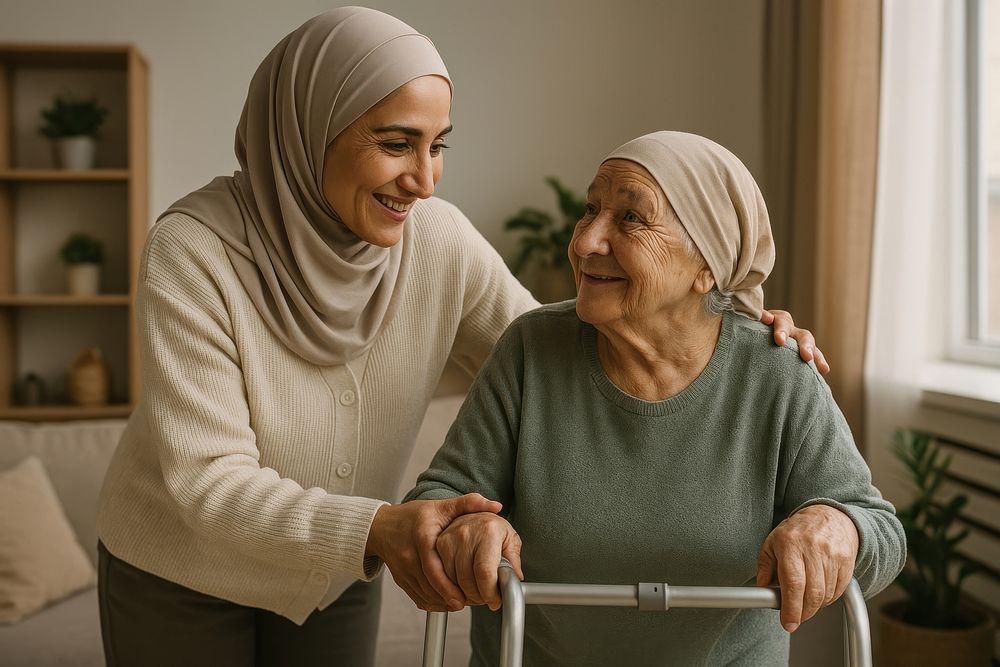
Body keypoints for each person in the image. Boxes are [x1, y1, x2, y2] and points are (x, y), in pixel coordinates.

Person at [95, 8, 827, 666]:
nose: (424, 179)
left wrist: (731, 324)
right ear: (311, 130)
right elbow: (206, 483)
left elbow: (558, 354)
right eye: (396, 143)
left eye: (438, 145)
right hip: (183, 566)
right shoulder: (191, 252)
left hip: (337, 566)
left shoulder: (435, 241)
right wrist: (381, 528)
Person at [406, 131, 905, 666]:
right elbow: (438, 498)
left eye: (631, 219)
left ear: (707, 265)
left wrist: (838, 525)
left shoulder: (775, 374)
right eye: (590, 210)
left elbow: (880, 532)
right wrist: (467, 527)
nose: (585, 242)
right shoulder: (531, 349)